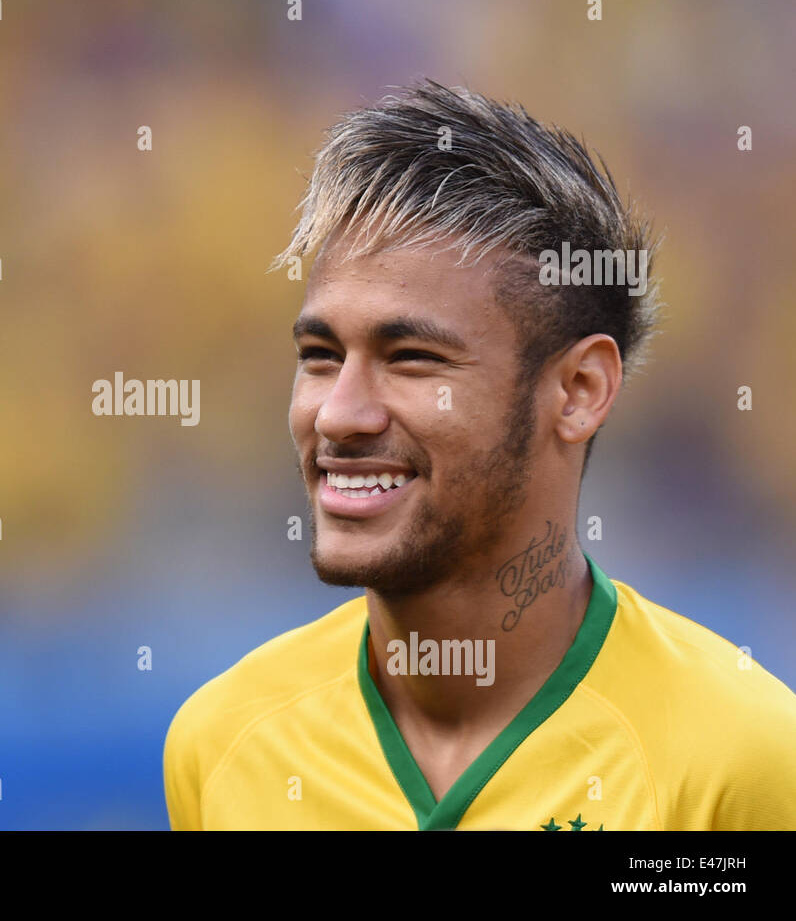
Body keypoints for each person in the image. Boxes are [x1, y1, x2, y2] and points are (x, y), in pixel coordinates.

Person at [163, 80, 796, 830]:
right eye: (321, 354)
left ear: (579, 389)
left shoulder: (742, 759)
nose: (338, 413)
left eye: (411, 358)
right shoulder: (222, 747)